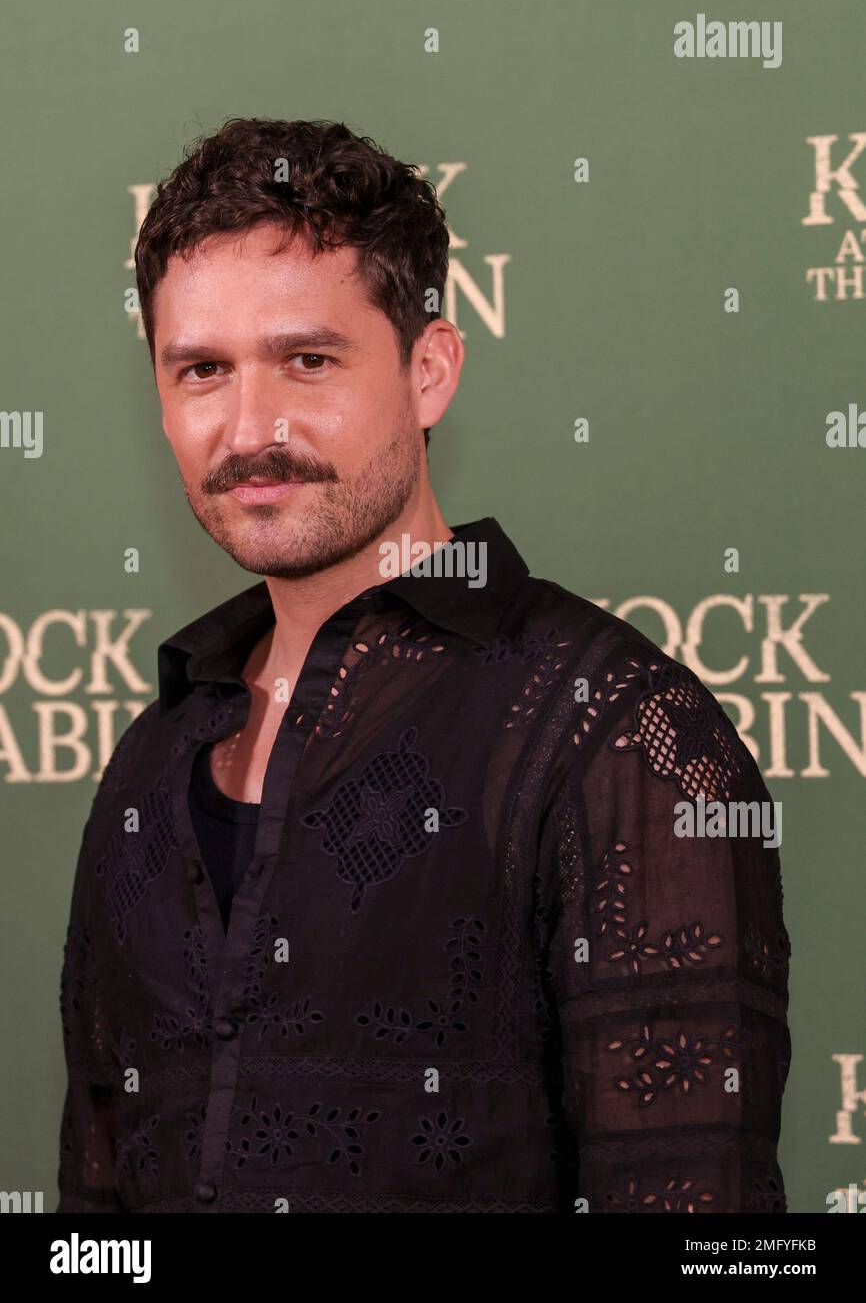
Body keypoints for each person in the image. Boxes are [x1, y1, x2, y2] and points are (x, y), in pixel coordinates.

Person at [57, 116, 790, 1214]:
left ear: (430, 370)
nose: (250, 424)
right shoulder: (154, 754)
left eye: (307, 359)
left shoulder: (615, 729)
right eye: (202, 369)